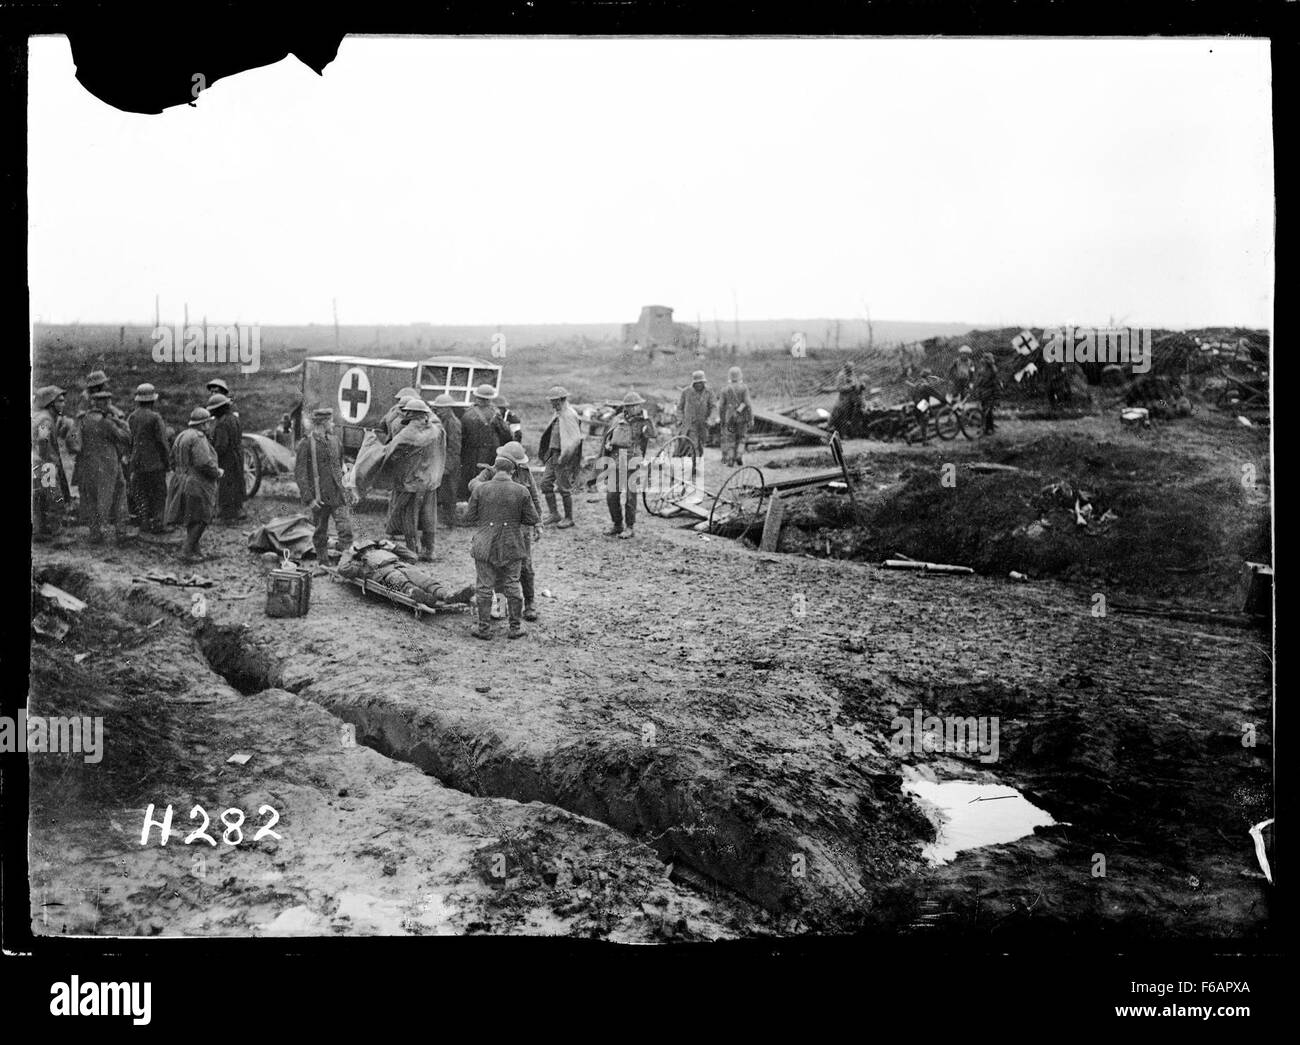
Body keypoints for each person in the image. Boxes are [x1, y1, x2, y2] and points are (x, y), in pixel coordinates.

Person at [463, 452, 540, 640]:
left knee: (484, 585)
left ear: (495, 469)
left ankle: (484, 628)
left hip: (484, 543)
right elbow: (531, 518)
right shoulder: (522, 491)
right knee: (512, 583)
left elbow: (468, 518)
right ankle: (515, 628)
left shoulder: (480, 490)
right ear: (513, 471)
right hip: (512, 544)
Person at [294, 407, 357, 571]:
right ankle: (323, 561)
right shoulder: (306, 444)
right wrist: (309, 498)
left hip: (338, 494)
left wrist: (348, 489)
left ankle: (345, 562)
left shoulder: (335, 441)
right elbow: (300, 474)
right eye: (331, 421)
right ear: (323, 423)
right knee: (320, 531)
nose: (333, 424)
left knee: (346, 528)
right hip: (319, 496)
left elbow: (341, 466)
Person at [386, 397, 442, 561]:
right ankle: (429, 550)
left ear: (410, 413)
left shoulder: (407, 433)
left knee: (409, 517)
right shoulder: (434, 430)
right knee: (429, 516)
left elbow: (391, 453)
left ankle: (412, 551)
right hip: (430, 481)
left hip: (411, 482)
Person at [164, 407, 223, 562]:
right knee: (203, 517)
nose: (209, 426)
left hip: (181, 479)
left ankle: (195, 550)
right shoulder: (199, 437)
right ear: (203, 424)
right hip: (197, 482)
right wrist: (217, 472)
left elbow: (171, 459)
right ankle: (187, 551)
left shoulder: (182, 435)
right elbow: (203, 462)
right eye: (207, 423)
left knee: (192, 516)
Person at [78, 389, 133, 544]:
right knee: (119, 493)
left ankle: (95, 533)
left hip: (88, 464)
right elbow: (126, 437)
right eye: (108, 402)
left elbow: (74, 438)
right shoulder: (106, 422)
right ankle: (120, 531)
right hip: (109, 465)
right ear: (105, 404)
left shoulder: (84, 419)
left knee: (92, 497)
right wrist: (119, 421)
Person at [600, 391, 654, 539]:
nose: (634, 408)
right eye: (631, 406)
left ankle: (630, 527)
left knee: (631, 497)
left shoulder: (643, 421)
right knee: (612, 495)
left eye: (636, 405)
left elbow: (651, 435)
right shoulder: (618, 419)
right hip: (617, 460)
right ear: (626, 407)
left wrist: (647, 421)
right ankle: (617, 524)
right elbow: (608, 436)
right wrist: (609, 444)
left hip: (632, 461)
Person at [32, 385, 73, 541]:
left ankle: (40, 530)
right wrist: (50, 460)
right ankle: (57, 533)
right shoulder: (45, 420)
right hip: (44, 463)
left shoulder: (40, 416)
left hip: (38, 462)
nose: (63, 404)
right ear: (51, 403)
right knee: (55, 498)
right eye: (60, 401)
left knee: (39, 498)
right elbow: (43, 440)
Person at [127, 383, 170, 533]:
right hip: (155, 464)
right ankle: (158, 524)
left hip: (137, 463)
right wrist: (167, 462)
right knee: (159, 494)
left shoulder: (132, 417)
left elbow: (129, 441)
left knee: (141, 493)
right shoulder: (155, 417)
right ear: (152, 400)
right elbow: (162, 442)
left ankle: (144, 522)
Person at [538, 385, 582, 529]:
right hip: (553, 454)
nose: (551, 404)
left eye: (554, 401)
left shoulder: (569, 414)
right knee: (545, 483)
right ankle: (554, 514)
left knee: (564, 488)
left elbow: (575, 439)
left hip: (563, 456)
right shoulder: (558, 413)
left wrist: (565, 457)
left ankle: (569, 518)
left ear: (561, 400)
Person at [458, 384, 511, 500]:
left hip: (470, 456)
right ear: (490, 398)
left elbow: (462, 437)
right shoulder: (495, 414)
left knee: (472, 482)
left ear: (477, 397)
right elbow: (507, 435)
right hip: (491, 455)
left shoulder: (467, 414)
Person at [206, 392, 247, 523]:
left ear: (219, 409)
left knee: (226, 485)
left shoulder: (222, 423)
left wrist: (212, 455)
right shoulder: (234, 418)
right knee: (237, 481)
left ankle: (227, 514)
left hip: (226, 458)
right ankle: (238, 510)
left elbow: (221, 445)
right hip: (237, 454)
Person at [431, 393, 462, 526]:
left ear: (448, 408)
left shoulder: (453, 423)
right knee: (441, 493)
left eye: (440, 408)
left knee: (449, 494)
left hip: (449, 463)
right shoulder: (442, 420)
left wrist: (447, 467)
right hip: (441, 462)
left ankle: (449, 522)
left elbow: (454, 447)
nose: (437, 410)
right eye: (436, 408)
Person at [718, 366, 752, 467]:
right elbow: (748, 404)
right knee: (741, 438)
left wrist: (722, 419)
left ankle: (730, 459)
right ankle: (739, 455)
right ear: (740, 375)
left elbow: (721, 406)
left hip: (729, 418)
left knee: (730, 439)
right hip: (742, 418)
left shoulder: (724, 389)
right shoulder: (744, 388)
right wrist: (751, 418)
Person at [677, 370, 715, 457]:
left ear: (704, 382)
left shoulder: (709, 392)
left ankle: (696, 463)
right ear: (693, 382)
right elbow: (680, 407)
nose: (699, 385)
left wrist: (711, 419)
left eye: (701, 382)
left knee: (700, 445)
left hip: (703, 424)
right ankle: (695, 465)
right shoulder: (686, 392)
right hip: (689, 424)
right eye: (697, 383)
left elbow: (713, 407)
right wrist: (680, 419)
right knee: (693, 445)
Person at [973, 352, 1003, 434]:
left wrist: (997, 397)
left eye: (986, 361)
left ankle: (988, 429)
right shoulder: (982, 369)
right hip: (983, 393)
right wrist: (975, 388)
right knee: (984, 411)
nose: (984, 362)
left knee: (987, 411)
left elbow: (996, 384)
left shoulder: (993, 371)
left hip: (990, 393)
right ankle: (988, 428)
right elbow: (978, 381)